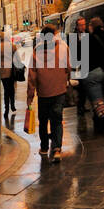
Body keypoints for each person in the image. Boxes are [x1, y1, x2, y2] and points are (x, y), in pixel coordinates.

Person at [26, 24, 71, 160]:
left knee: (44, 120)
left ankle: (44, 147)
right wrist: (65, 79)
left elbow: (32, 77)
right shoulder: (63, 48)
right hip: (59, 91)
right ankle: (57, 149)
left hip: (44, 93)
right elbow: (68, 67)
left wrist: (30, 97)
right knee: (57, 120)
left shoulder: (36, 51)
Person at [85, 17, 104, 133]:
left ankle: (103, 122)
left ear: (92, 27)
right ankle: (97, 123)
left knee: (97, 99)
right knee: (99, 98)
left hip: (93, 73)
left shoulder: (88, 39)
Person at [72, 15, 89, 117]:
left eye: (84, 24)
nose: (83, 27)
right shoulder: (73, 36)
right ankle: (80, 106)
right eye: (81, 25)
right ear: (77, 26)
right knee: (80, 87)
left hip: (86, 64)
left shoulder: (88, 34)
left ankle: (83, 105)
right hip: (78, 65)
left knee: (85, 86)